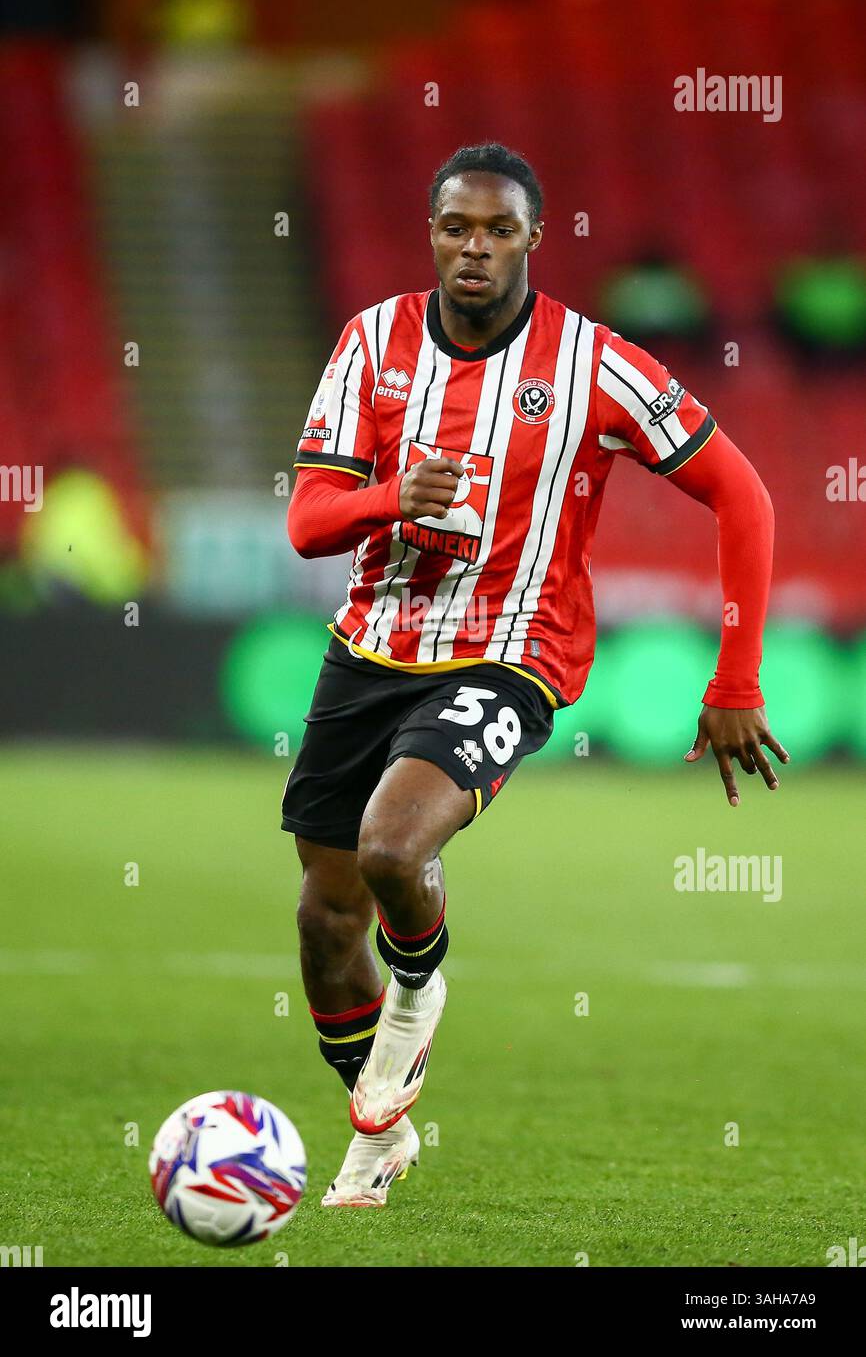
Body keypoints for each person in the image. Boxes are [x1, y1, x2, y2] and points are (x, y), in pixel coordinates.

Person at [282, 142, 788, 1207]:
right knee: (325, 922)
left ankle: (416, 995)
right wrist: (388, 499)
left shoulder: (597, 364)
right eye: (456, 227)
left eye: (498, 230)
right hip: (369, 647)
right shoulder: (370, 344)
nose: (475, 248)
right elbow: (308, 522)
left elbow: (742, 494)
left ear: (532, 239)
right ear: (430, 234)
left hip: (516, 652)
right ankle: (380, 1130)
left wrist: (735, 680)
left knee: (391, 847)